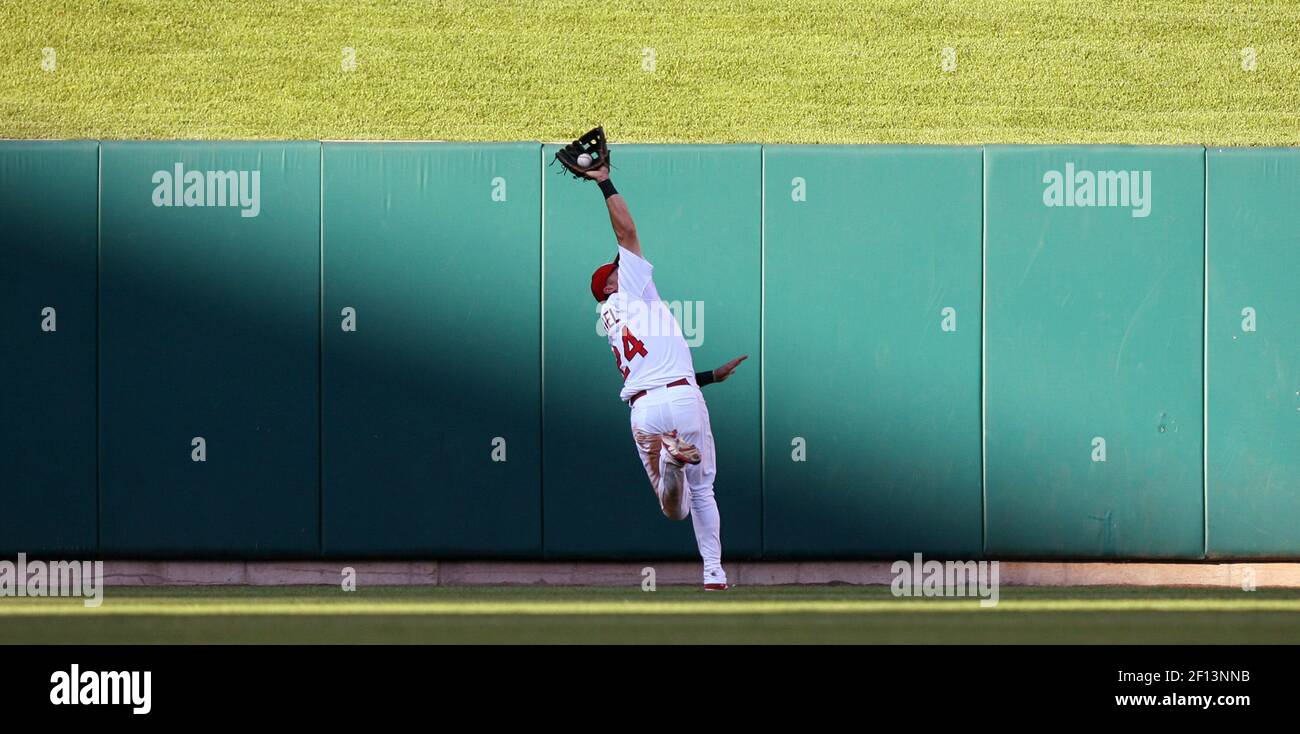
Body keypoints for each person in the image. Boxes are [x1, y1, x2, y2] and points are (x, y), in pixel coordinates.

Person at [581, 163, 747, 591]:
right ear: (609, 286)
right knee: (703, 491)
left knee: (673, 510)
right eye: (617, 269)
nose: (625, 265)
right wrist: (605, 182)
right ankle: (714, 571)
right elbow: (627, 234)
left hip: (644, 410)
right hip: (681, 399)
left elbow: (657, 366)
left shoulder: (612, 316)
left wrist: (709, 375)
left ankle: (672, 460)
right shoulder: (629, 290)